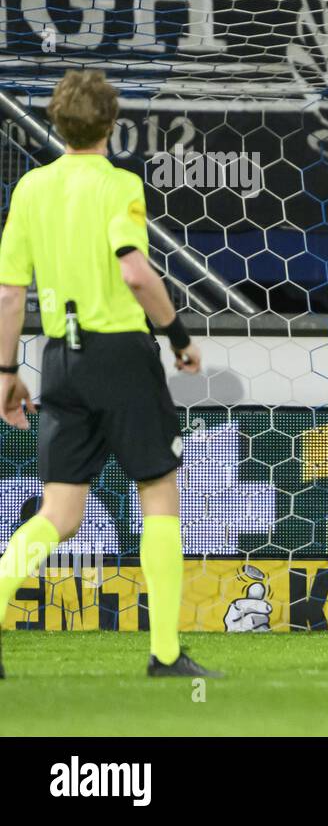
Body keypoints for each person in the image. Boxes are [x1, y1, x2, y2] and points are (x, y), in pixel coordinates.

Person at [0, 70, 215, 678]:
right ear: (112, 125)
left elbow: (9, 295)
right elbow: (136, 272)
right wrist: (177, 337)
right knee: (158, 493)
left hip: (58, 359)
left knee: (59, 513)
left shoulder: (31, 189)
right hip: (120, 353)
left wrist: (7, 370)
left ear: (57, 123)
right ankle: (166, 653)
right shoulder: (118, 184)